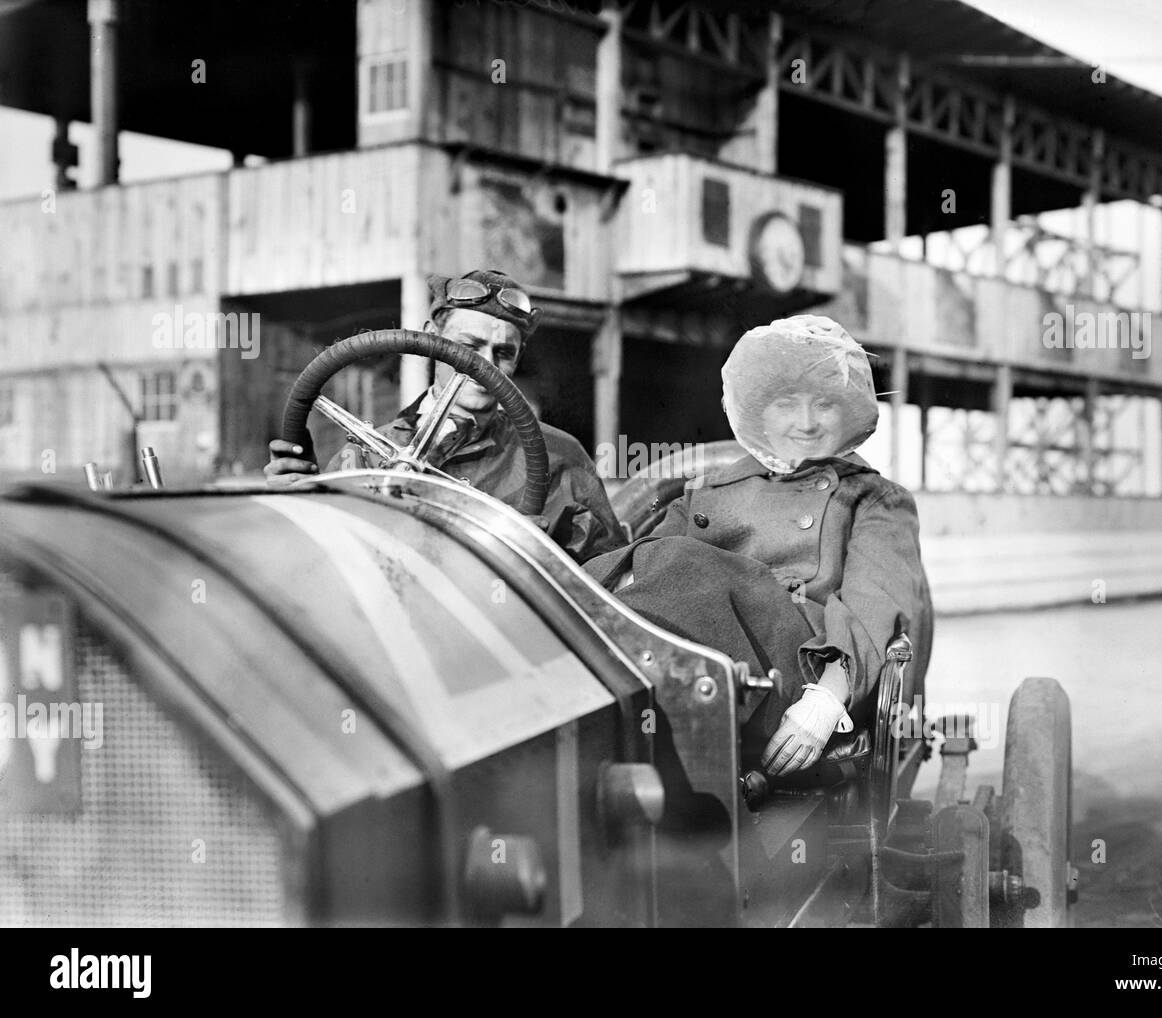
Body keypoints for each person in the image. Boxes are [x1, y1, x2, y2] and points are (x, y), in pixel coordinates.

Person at [584, 315, 931, 776]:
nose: (806, 423)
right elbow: (646, 578)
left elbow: (874, 607)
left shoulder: (875, 499)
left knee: (675, 558)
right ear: (760, 413)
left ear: (848, 414)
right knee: (643, 566)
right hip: (688, 664)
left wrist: (825, 703)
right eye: (787, 403)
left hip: (794, 677)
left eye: (824, 404)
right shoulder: (705, 491)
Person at [264, 269, 626, 564]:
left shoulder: (562, 456)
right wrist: (301, 503)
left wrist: (543, 562)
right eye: (468, 347)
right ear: (429, 340)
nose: (485, 366)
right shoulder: (364, 455)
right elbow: (322, 563)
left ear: (518, 357)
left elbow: (607, 577)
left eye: (503, 352)